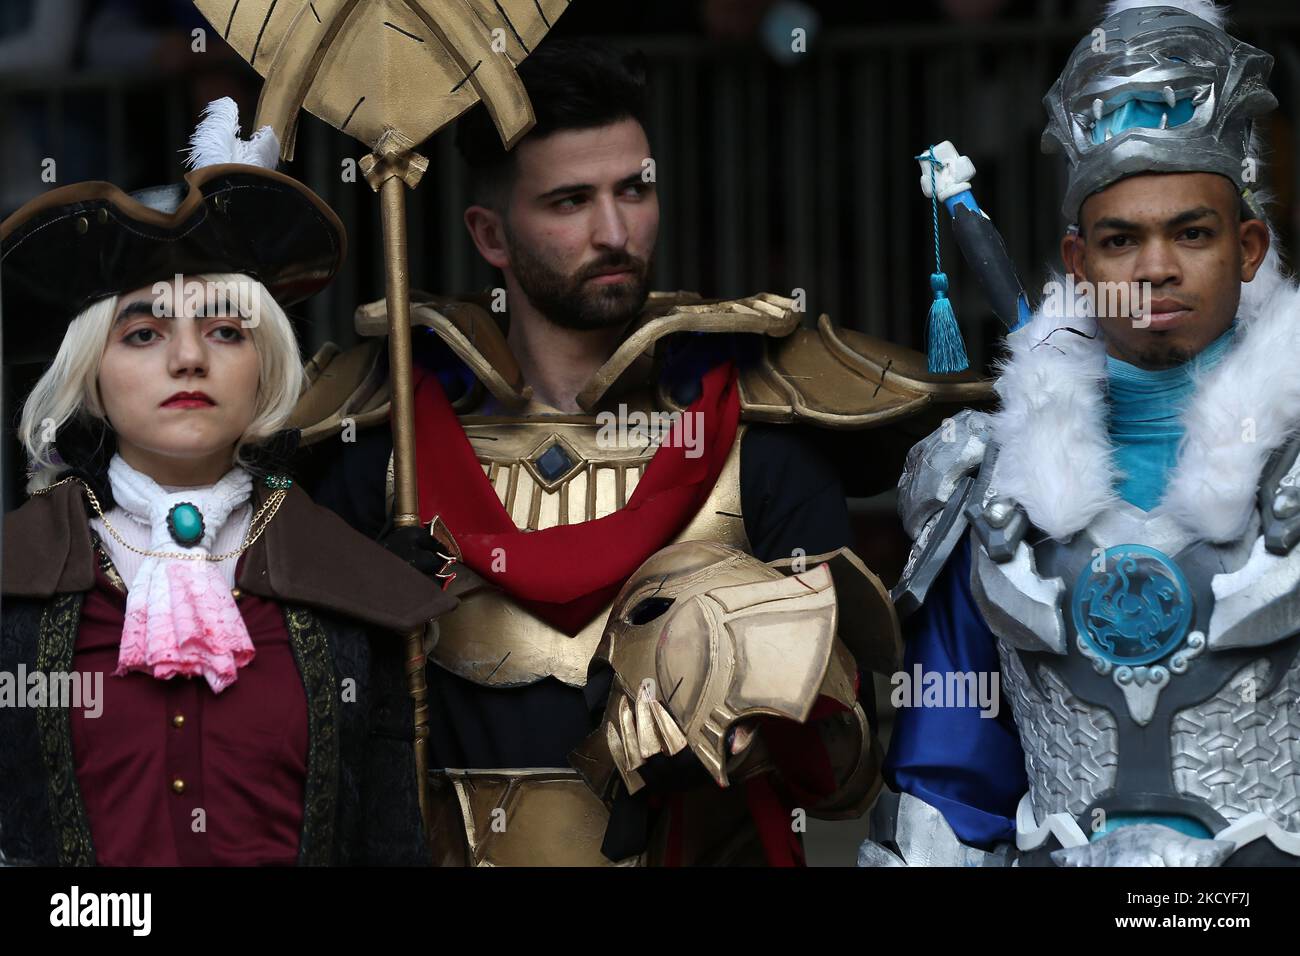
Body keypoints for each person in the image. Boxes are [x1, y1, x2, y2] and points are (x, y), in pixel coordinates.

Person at [294, 38, 986, 866]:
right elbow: (299, 746)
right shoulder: (382, 456)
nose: (615, 230)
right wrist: (359, 629)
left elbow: (847, 763)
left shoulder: (760, 441)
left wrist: (745, 720)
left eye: (634, 190)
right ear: (491, 235)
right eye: (570, 202)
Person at [864, 0, 1300, 867]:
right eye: (1119, 239)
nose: (1155, 268)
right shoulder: (992, 490)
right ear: (1079, 263)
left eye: (1192, 233)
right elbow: (948, 794)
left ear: (1248, 248)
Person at [0, 99, 456, 866]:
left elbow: (390, 842)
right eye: (144, 333)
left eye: (223, 330)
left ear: (267, 364)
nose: (188, 359)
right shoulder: (15, 583)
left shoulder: (354, 587)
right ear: (89, 376)